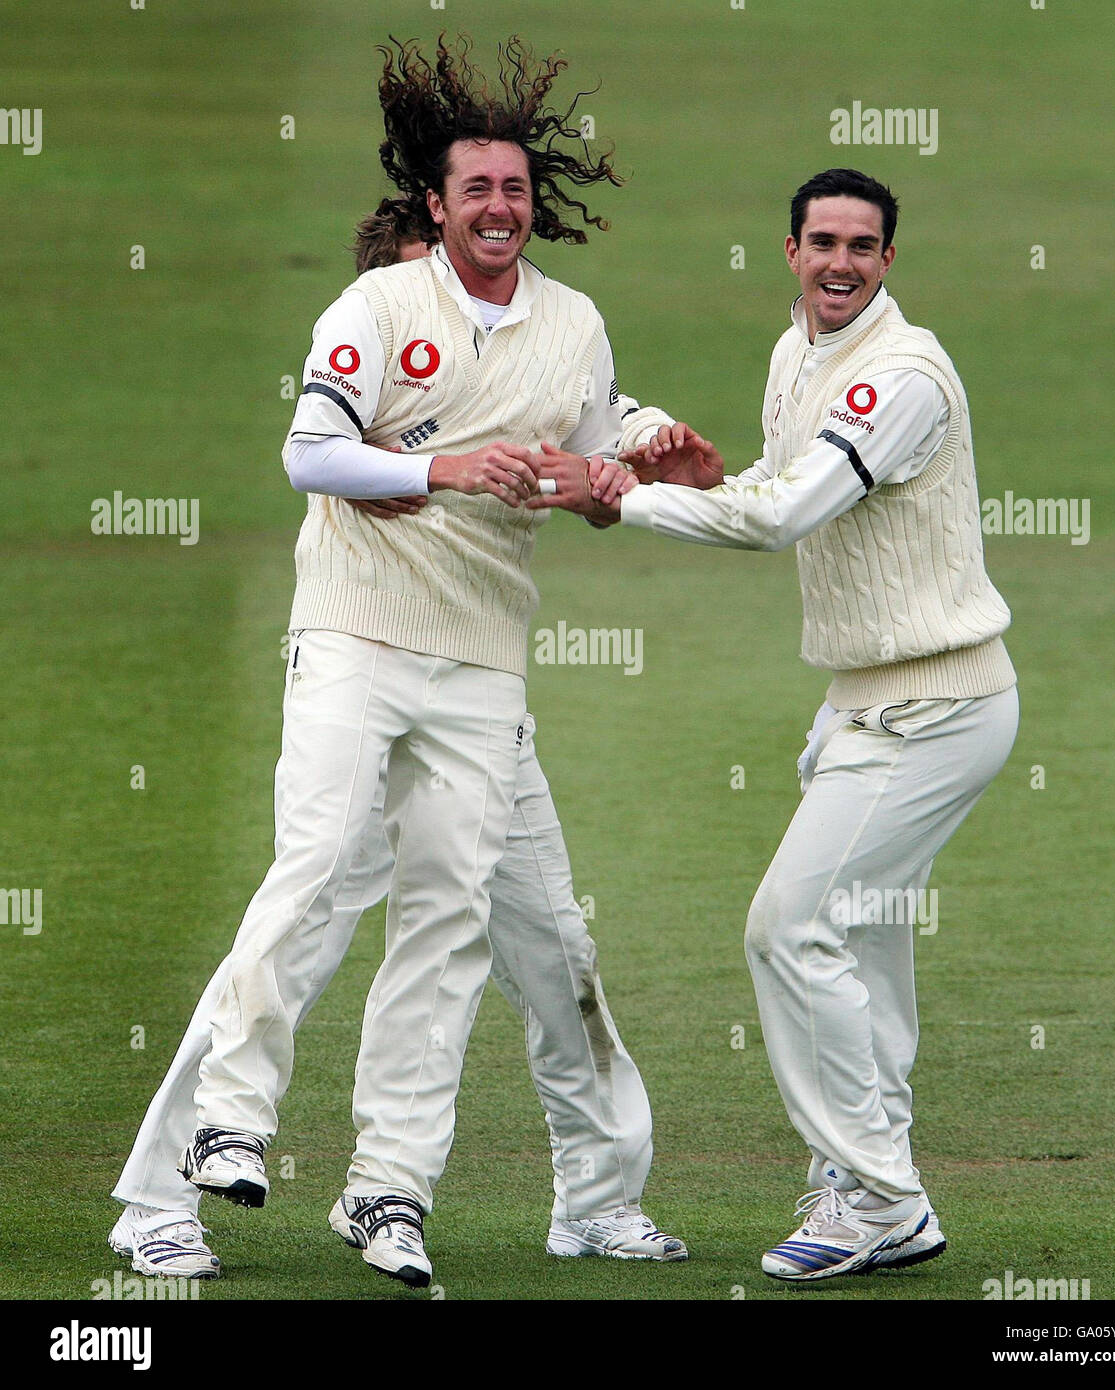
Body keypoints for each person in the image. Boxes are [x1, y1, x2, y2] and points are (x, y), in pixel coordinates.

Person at [110, 36, 694, 1291]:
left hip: (484, 670)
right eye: (475, 189)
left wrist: (641, 459)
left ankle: (392, 1192)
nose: (500, 206)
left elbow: (593, 443)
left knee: (457, 928)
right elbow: (309, 456)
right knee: (314, 876)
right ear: (435, 203)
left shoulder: (573, 325)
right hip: (357, 643)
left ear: (537, 204)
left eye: (516, 190)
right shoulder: (379, 309)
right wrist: (435, 468)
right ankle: (206, 1144)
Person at [535, 167, 1019, 1282]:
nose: (840, 262)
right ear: (789, 251)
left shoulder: (899, 376)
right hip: (864, 701)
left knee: (786, 928)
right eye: (823, 243)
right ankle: (866, 1181)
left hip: (938, 705)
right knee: (855, 942)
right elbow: (774, 487)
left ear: (888, 261)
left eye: (863, 245)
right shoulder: (794, 353)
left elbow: (787, 516)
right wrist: (698, 477)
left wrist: (617, 494)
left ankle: (881, 1196)